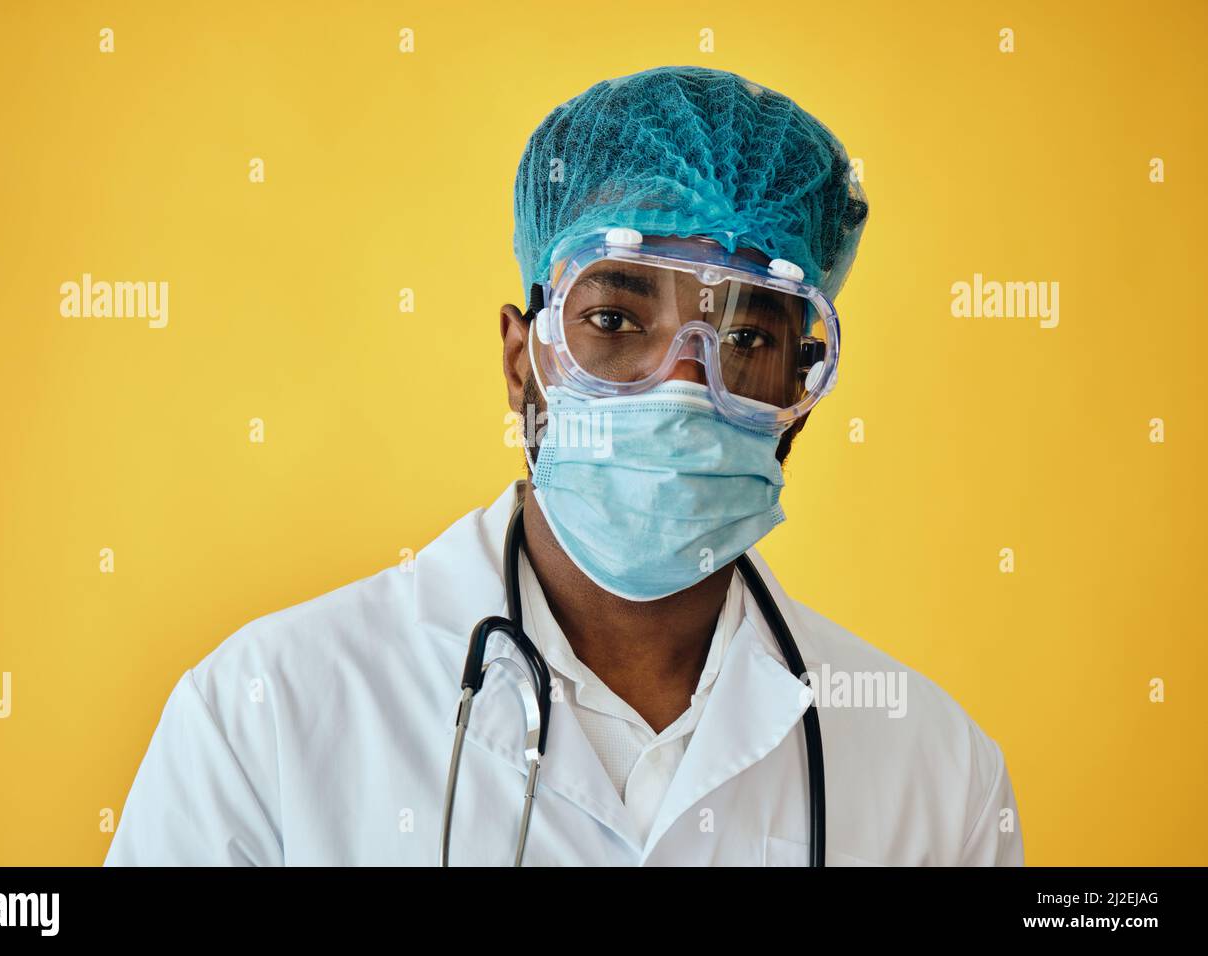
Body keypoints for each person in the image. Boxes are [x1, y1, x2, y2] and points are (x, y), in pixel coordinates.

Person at [106, 65, 1024, 866]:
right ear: (523, 360)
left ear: (797, 392)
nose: (681, 387)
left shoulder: (936, 773)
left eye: (744, 335)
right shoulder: (263, 716)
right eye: (616, 322)